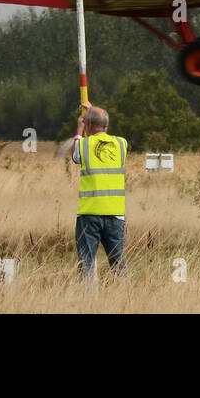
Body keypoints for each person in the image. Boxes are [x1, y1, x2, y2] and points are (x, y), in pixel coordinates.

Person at [72, 105, 128, 278]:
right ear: (106, 125)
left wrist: (79, 130)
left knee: (86, 262)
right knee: (118, 263)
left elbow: (75, 157)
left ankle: (88, 299)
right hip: (115, 213)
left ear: (88, 124)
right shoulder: (121, 143)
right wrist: (92, 113)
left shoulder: (83, 144)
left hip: (90, 213)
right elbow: (99, 126)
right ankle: (128, 297)